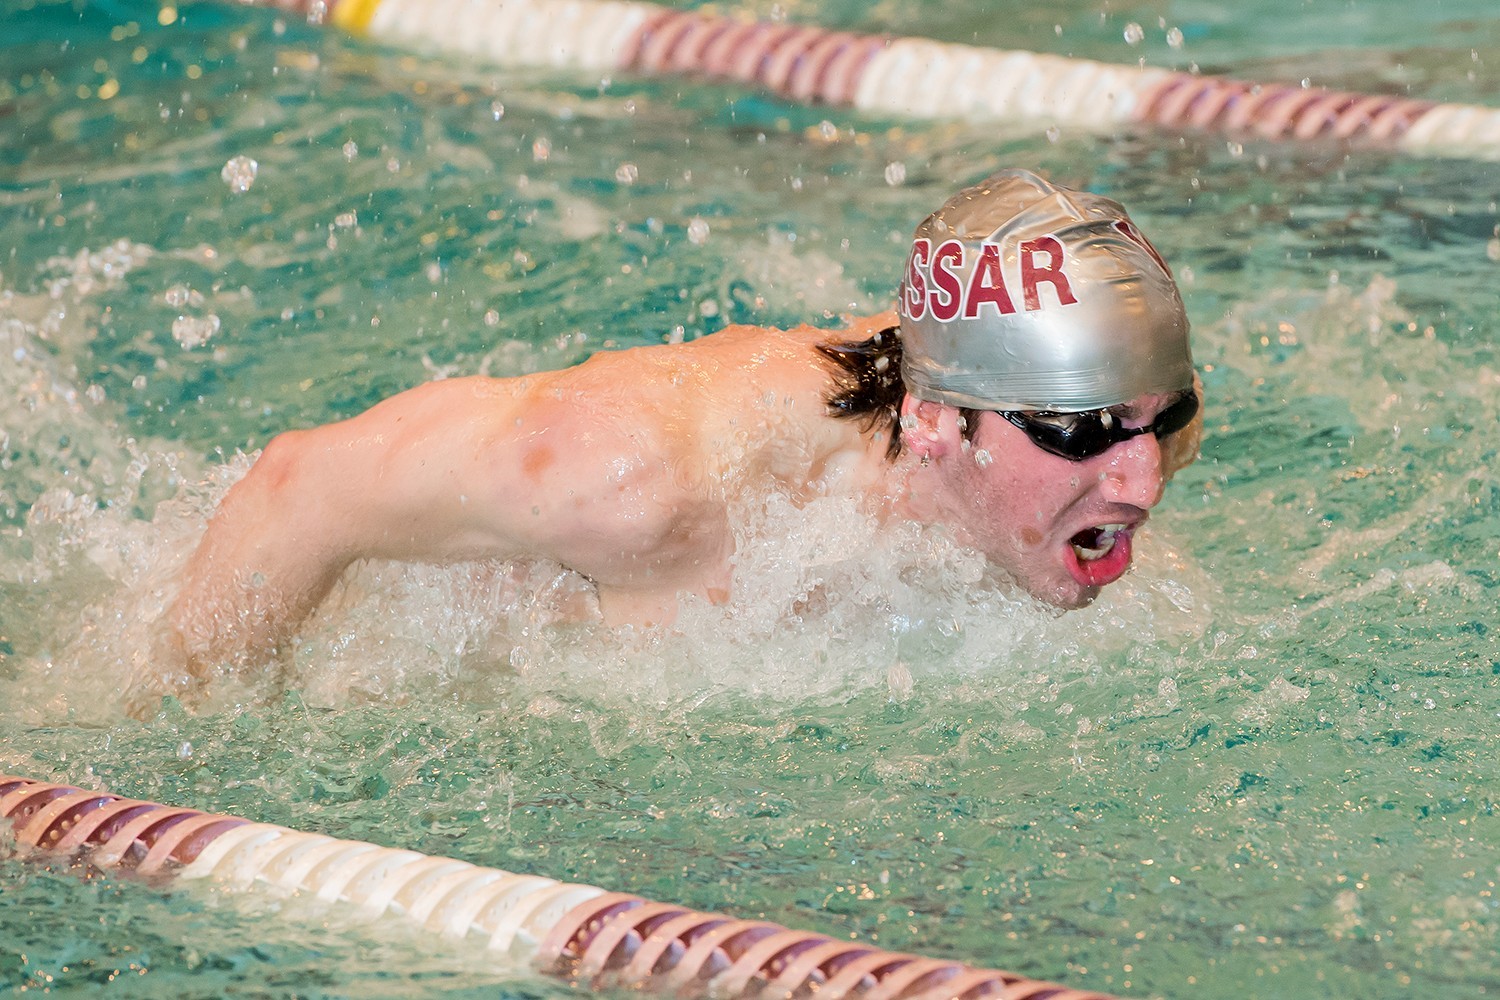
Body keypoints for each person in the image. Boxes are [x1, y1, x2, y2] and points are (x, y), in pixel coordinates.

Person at [167, 168, 1203, 676]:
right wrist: (174, 743)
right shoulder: (642, 482)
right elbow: (300, 488)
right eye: (1086, 433)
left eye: (1161, 421)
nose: (1143, 480)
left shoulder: (1091, 426)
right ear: (935, 419)